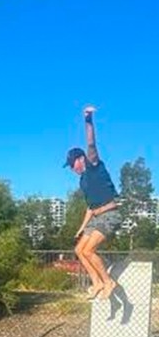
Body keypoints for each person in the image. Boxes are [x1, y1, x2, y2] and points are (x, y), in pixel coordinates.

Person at [66, 105, 121, 301]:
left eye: (72, 165)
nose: (72, 169)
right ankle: (97, 282)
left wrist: (88, 121)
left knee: (89, 250)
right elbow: (90, 208)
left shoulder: (94, 166)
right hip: (96, 217)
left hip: (110, 214)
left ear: (80, 160)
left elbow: (91, 143)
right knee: (79, 250)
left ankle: (108, 282)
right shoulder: (83, 181)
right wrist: (81, 229)